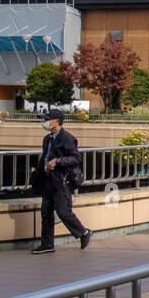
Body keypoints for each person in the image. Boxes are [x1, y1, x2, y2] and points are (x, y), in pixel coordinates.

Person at [30, 109, 92, 255]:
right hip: (47, 181)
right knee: (46, 213)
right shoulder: (47, 139)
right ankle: (47, 244)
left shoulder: (67, 138)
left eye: (47, 119)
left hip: (61, 181)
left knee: (63, 212)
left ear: (57, 121)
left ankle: (84, 233)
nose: (44, 122)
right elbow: (44, 158)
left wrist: (58, 161)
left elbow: (76, 158)